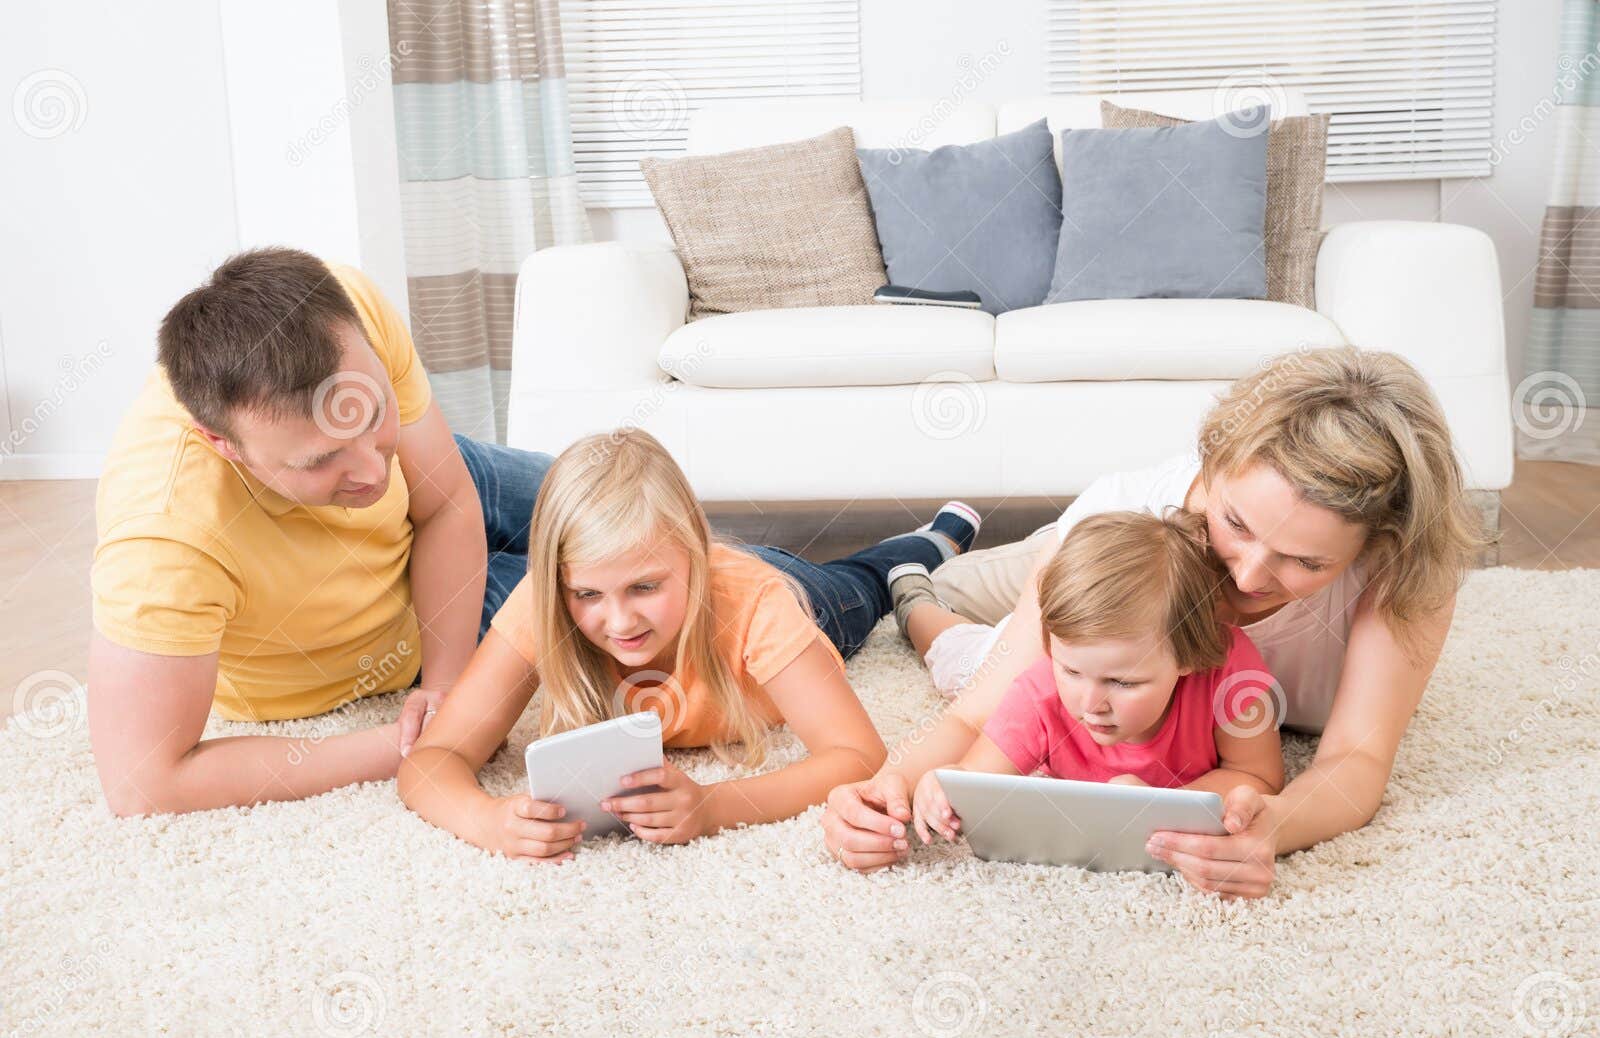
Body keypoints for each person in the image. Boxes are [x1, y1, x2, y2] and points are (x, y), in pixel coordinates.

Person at [822, 347, 1490, 897]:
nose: (1249, 578)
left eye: (1304, 561)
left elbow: (1356, 760)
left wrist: (1269, 825)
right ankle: (912, 585)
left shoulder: (1406, 573)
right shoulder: (1125, 516)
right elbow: (977, 717)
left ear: (1379, 544)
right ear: (1212, 465)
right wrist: (891, 785)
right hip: (1103, 548)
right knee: (968, 646)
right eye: (1235, 522)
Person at [89, 248, 551, 815]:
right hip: (384, 638)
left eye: (371, 411)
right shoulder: (164, 543)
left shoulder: (341, 308)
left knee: (636, 505)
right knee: (628, 584)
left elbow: (445, 500)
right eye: (320, 459)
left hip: (444, 488)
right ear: (224, 445)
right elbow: (143, 784)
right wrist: (416, 740)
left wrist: (448, 686)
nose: (375, 472)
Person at [397, 428, 982, 861]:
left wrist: (712, 806)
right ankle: (921, 546)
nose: (619, 620)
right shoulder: (544, 599)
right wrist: (487, 821)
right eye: (588, 594)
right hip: (725, 576)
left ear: (694, 560)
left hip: (811, 599)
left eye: (644, 587)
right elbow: (429, 763)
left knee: (864, 583)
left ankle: (926, 545)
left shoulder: (756, 605)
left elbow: (859, 757)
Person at [912, 509, 1285, 846]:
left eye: (1122, 683)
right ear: (1050, 647)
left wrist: (1167, 804)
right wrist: (943, 786)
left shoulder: (1231, 674)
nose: (1090, 705)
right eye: (1071, 672)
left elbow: (1259, 776)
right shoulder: (1040, 689)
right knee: (951, 653)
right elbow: (976, 780)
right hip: (985, 653)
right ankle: (912, 596)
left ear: (1189, 655)